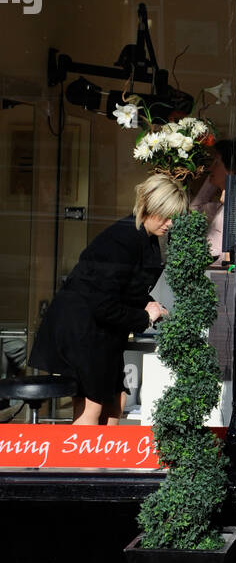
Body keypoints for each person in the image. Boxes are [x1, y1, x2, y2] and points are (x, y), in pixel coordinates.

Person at [29, 173, 188, 426]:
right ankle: (82, 464)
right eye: (166, 216)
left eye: (174, 218)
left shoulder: (143, 238)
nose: (170, 224)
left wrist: (151, 306)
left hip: (101, 331)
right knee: (92, 407)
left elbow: (127, 288)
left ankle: (102, 465)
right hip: (83, 330)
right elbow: (102, 303)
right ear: (149, 208)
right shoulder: (122, 240)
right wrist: (145, 316)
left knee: (116, 404)